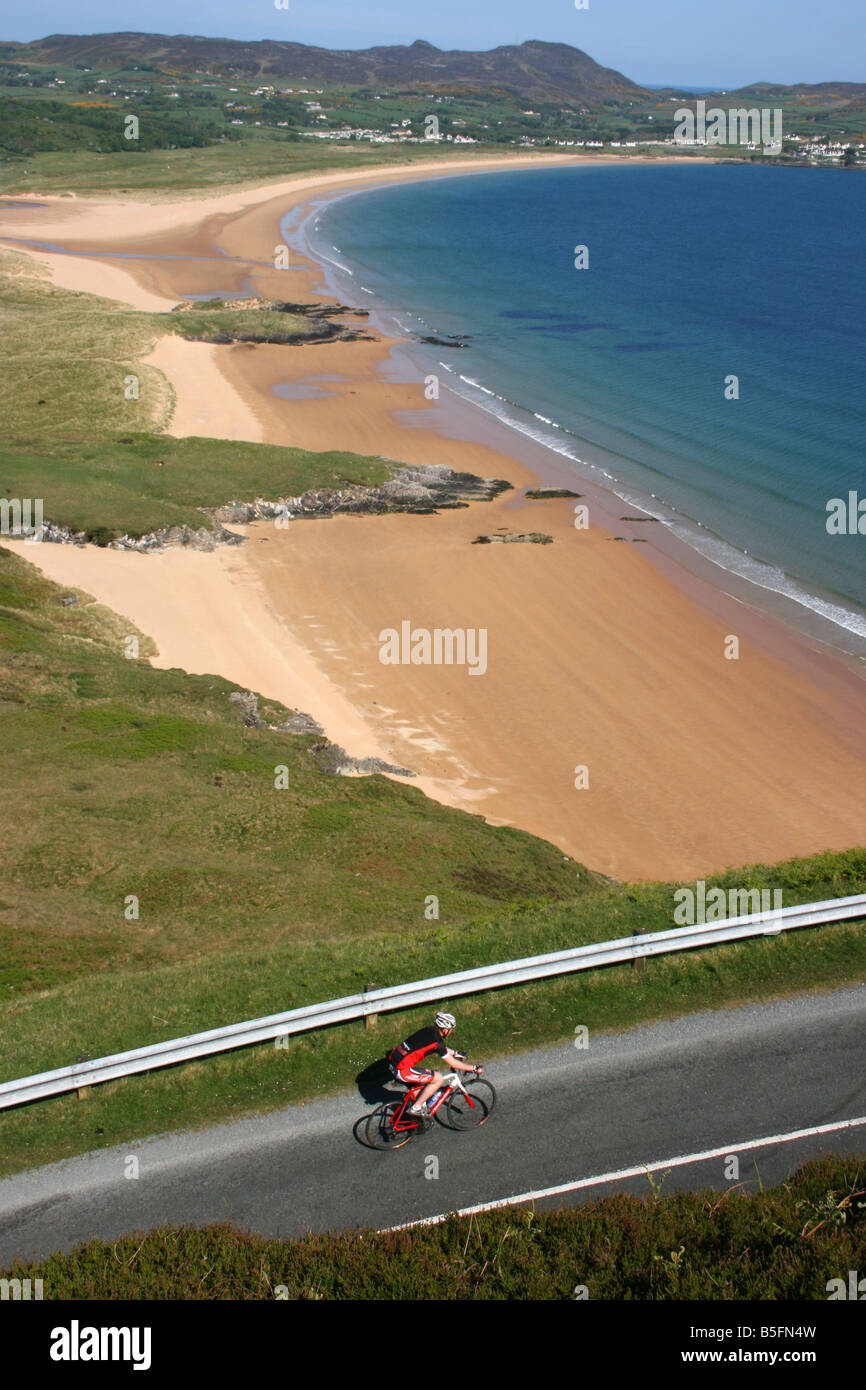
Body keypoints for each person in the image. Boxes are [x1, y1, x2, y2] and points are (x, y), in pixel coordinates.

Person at [388, 1011, 482, 1117]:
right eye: (451, 1030)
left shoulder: (428, 1031)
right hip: (402, 1070)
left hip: (394, 1062)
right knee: (438, 1078)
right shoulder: (438, 1043)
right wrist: (473, 1068)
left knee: (423, 1086)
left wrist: (455, 1053)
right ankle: (416, 1108)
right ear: (445, 1030)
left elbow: (441, 1049)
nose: (451, 1032)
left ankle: (413, 1113)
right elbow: (452, 1063)